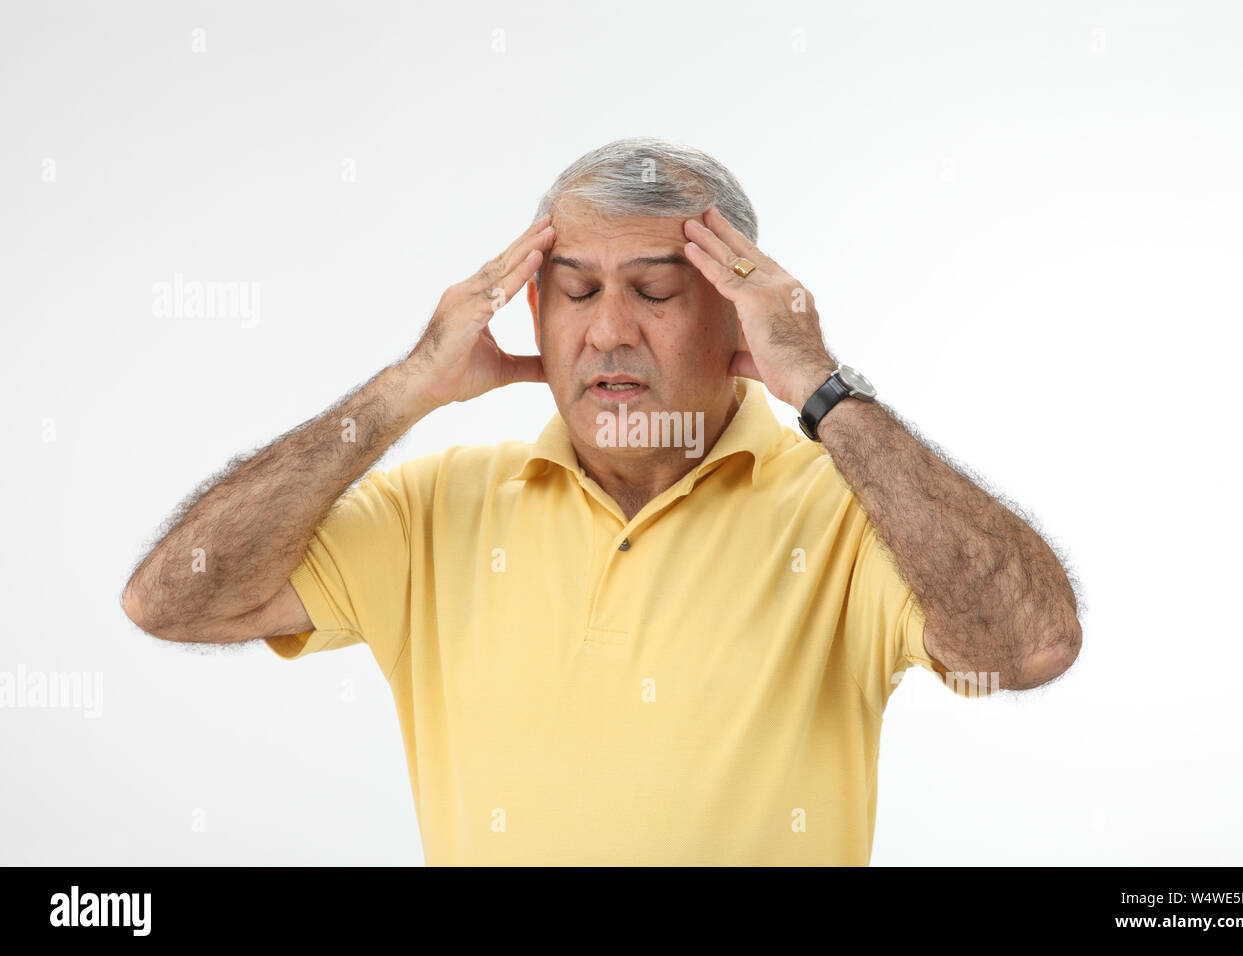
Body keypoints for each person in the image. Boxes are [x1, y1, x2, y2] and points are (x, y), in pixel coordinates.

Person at [122, 136, 1082, 865]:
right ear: (533, 314)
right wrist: (405, 387)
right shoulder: (435, 511)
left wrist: (824, 389)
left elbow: (1029, 644)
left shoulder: (849, 517)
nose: (608, 330)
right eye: (575, 291)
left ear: (739, 313)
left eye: (656, 292)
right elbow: (172, 600)